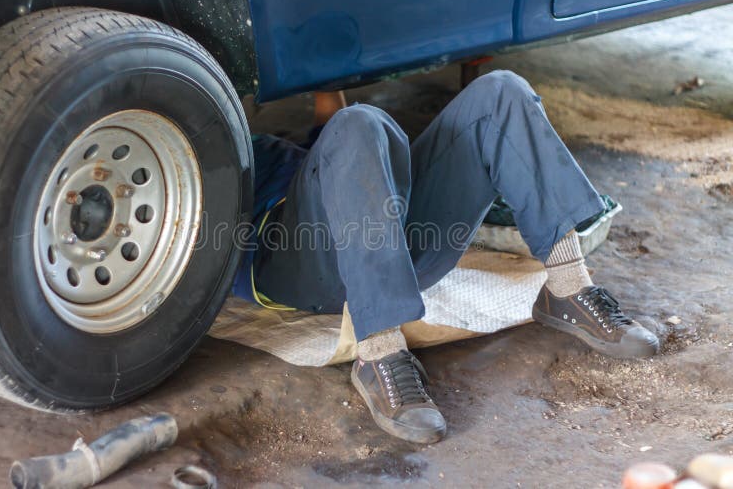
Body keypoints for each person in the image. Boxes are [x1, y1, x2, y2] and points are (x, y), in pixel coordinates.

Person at [232, 70, 659, 444]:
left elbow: (330, 137)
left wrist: (325, 79)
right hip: (298, 266)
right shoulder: (219, 165)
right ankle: (378, 351)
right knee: (360, 122)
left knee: (500, 91)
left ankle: (567, 286)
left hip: (391, 243)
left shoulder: (312, 148)